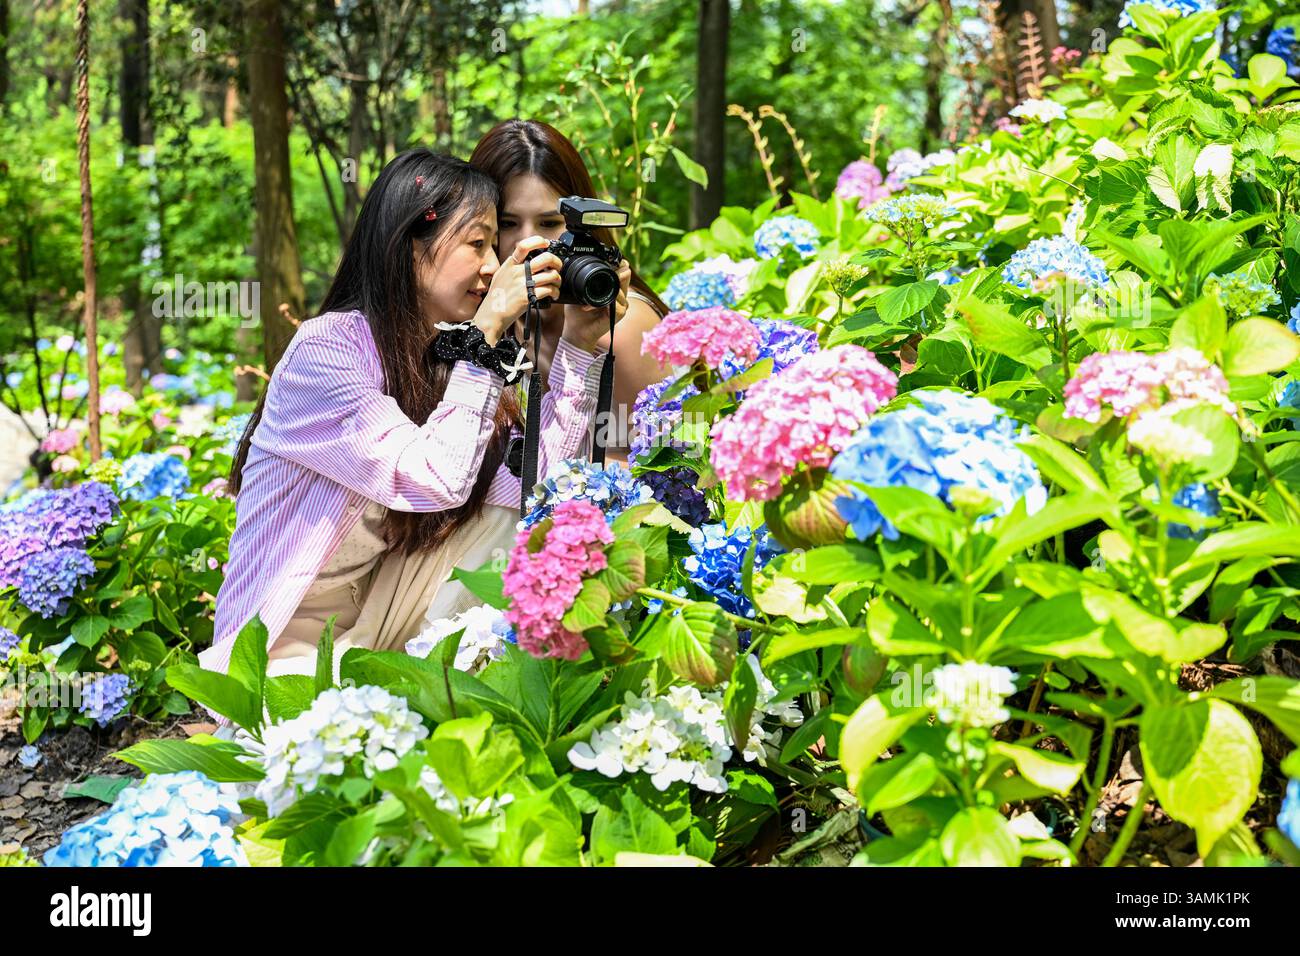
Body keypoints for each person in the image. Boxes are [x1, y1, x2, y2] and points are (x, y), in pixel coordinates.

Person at [200, 148, 610, 687]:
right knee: (318, 760)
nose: (494, 266)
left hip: (380, 625)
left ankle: (477, 689)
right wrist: (485, 338)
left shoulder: (444, 353)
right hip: (282, 644)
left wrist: (580, 347)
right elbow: (434, 478)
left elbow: (531, 489)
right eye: (478, 243)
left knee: (509, 521)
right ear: (410, 247)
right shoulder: (326, 352)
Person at [469, 119, 671, 465]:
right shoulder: (485, 315)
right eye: (507, 223)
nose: (529, 243)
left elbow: (662, 469)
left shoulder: (619, 328)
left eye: (549, 224)